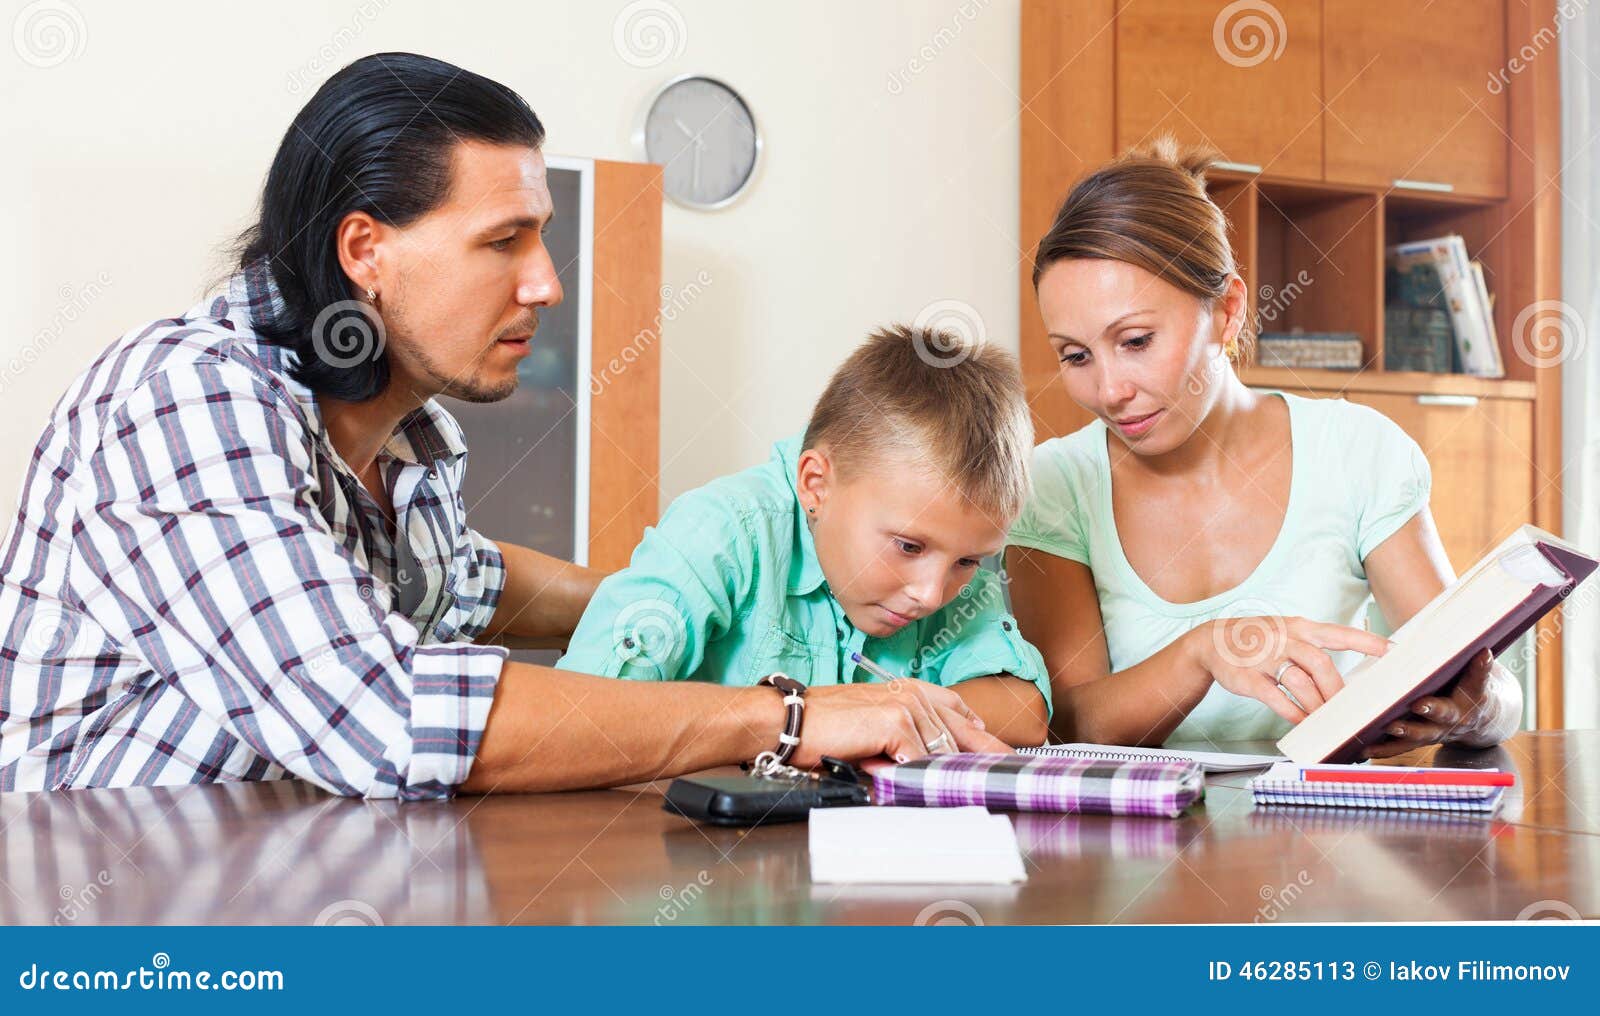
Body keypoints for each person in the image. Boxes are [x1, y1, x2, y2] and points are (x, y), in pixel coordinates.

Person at [0, 53, 1006, 800]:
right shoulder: (183, 397)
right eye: (503, 241)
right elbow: (386, 715)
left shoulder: (410, 442)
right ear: (366, 250)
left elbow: (482, 585)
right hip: (106, 908)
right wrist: (788, 713)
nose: (546, 283)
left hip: (280, 885)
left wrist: (693, 593)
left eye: (543, 237)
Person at [1005, 138, 1522, 757]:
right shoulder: (1053, 484)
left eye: (1137, 341)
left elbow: (1478, 676)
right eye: (1076, 356)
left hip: (1333, 836)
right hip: (1146, 841)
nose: (1110, 390)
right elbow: (1071, 723)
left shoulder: (1356, 451)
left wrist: (1478, 708)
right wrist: (1203, 651)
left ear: (1227, 310)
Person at [556, 326, 1052, 749]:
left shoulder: (946, 546)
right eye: (908, 547)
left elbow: (1021, 709)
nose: (930, 593)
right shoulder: (724, 532)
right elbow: (580, 716)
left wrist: (889, 708)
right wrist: (827, 715)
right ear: (817, 485)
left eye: (968, 562)